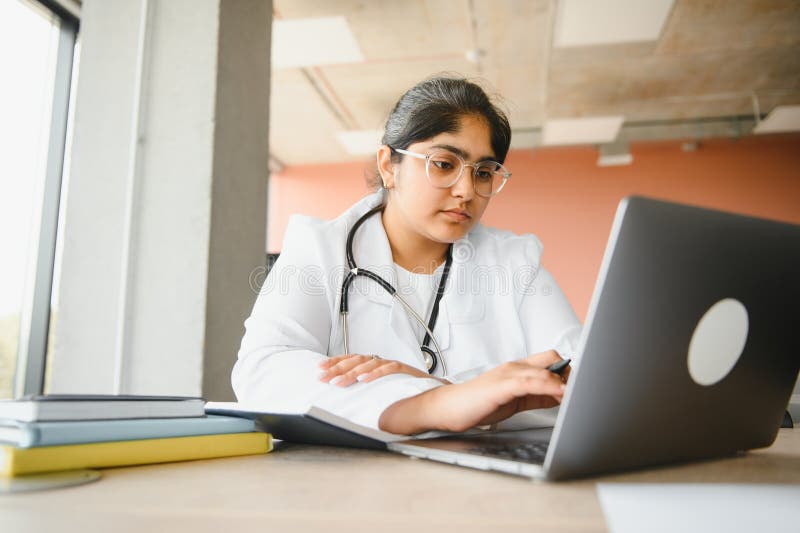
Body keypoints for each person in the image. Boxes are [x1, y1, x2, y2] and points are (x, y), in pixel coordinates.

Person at [232, 76, 581, 435]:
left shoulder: (515, 262)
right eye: (444, 164)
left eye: (483, 173)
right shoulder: (319, 250)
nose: (466, 191)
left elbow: (580, 379)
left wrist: (447, 392)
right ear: (388, 165)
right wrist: (431, 404)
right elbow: (263, 372)